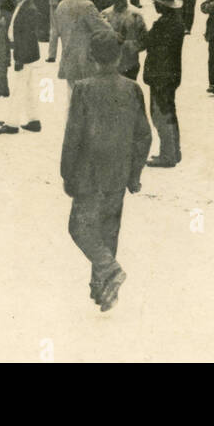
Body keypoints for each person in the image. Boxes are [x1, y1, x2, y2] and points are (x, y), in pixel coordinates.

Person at [61, 27, 151, 310]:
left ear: (91, 56)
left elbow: (72, 136)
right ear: (120, 56)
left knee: (79, 226)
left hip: (89, 173)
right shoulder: (132, 88)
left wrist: (67, 174)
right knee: (108, 229)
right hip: (118, 172)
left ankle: (108, 270)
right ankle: (103, 291)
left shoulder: (83, 89)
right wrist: (135, 174)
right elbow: (144, 135)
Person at [141, 0, 185, 167]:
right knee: (169, 112)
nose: (155, 7)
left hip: (160, 75)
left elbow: (147, 42)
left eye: (157, 4)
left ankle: (167, 155)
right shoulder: (177, 22)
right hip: (171, 74)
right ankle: (174, 151)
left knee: (160, 114)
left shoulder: (163, 24)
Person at [54, 0, 117, 89]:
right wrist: (106, 19)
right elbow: (106, 30)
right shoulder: (87, 6)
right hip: (87, 64)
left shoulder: (61, 5)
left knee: (73, 100)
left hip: (68, 61)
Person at [0, 0, 43, 134]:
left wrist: (20, 58)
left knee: (19, 89)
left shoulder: (28, 9)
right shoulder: (23, 5)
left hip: (24, 53)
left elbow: (27, 36)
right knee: (28, 88)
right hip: (26, 52)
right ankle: (34, 120)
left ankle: (11, 124)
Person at [101, 0, 147, 82]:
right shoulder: (104, 14)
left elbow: (144, 41)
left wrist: (126, 46)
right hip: (109, 67)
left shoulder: (135, 15)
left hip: (129, 66)